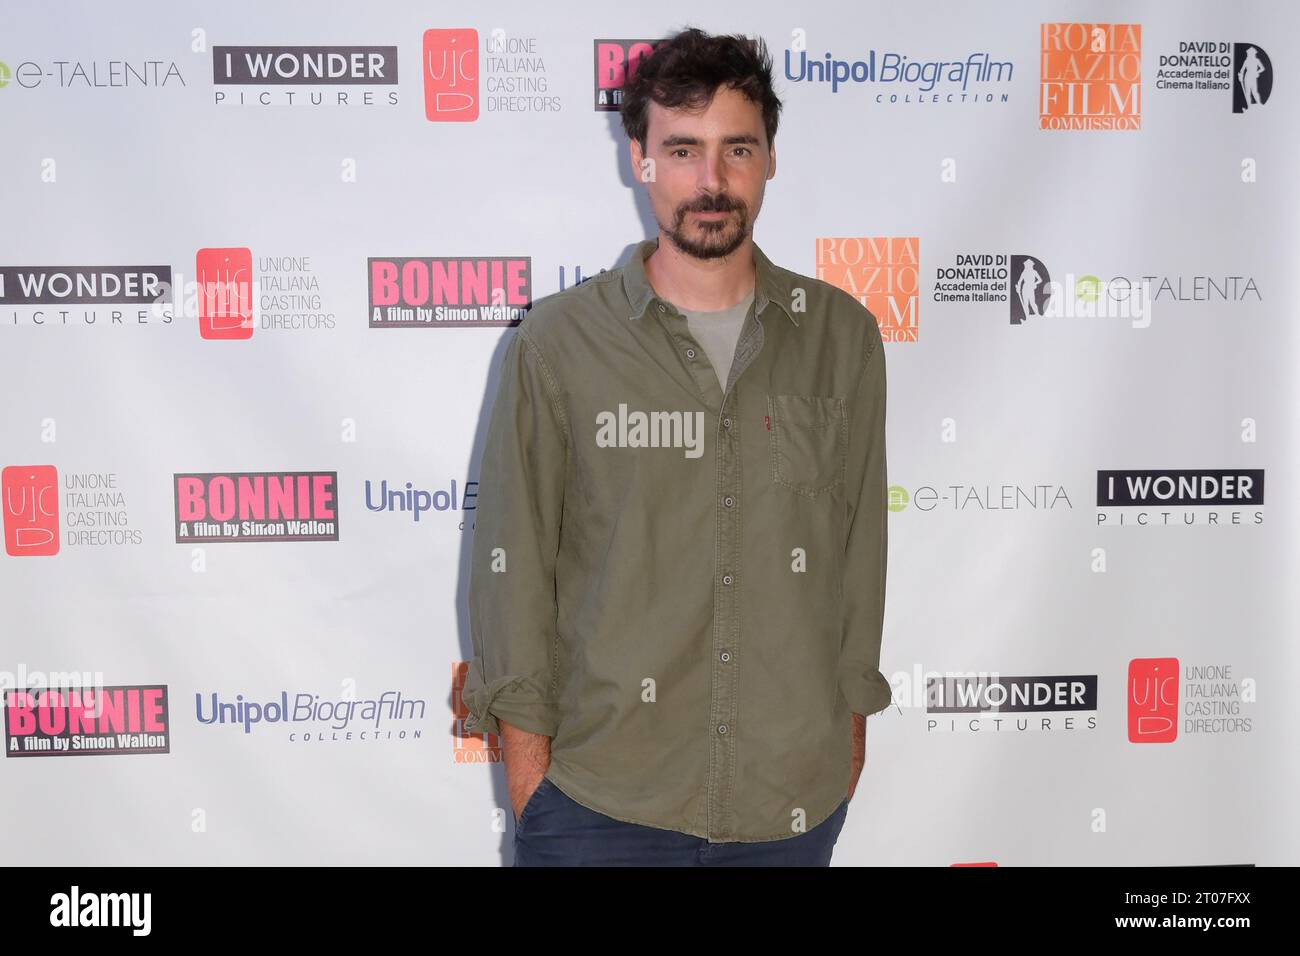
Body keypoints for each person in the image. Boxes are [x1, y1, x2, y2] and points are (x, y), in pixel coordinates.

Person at [463, 26, 893, 866]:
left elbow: (857, 557)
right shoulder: (558, 344)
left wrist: (842, 747)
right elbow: (509, 571)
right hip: (599, 803)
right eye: (683, 149)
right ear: (641, 159)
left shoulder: (841, 338)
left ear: (770, 157)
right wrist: (533, 788)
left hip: (789, 804)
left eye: (737, 148)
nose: (711, 181)